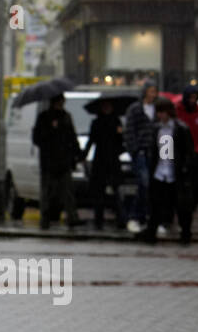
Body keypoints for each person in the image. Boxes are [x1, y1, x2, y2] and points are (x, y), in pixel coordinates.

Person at [141, 97, 194, 245]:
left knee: (181, 206)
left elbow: (187, 152)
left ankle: (185, 234)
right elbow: (156, 151)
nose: (160, 115)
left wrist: (184, 168)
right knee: (156, 204)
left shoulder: (180, 129)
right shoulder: (157, 129)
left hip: (175, 172)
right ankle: (151, 233)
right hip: (160, 171)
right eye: (159, 112)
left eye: (163, 112)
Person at [32, 91, 81, 229]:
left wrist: (77, 154)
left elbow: (72, 137)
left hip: (64, 161)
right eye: (59, 101)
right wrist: (51, 130)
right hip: (49, 162)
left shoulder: (66, 117)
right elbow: (37, 138)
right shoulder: (44, 118)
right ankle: (45, 218)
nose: (61, 104)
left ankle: (71, 216)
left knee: (67, 191)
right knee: (47, 192)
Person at [83, 99, 126, 230]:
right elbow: (91, 140)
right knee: (99, 193)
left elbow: (121, 142)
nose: (107, 109)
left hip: (112, 160)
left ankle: (120, 219)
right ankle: (99, 220)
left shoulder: (117, 122)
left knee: (116, 192)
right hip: (101, 160)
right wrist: (83, 155)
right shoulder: (96, 123)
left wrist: (120, 136)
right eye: (105, 107)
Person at [123, 79, 158, 232]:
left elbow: (165, 132)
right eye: (151, 91)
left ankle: (151, 218)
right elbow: (129, 130)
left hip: (156, 153)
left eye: (155, 91)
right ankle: (135, 216)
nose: (153, 95)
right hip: (141, 152)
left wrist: (167, 155)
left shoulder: (158, 110)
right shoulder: (136, 109)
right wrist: (134, 150)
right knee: (144, 183)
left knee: (155, 186)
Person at [176, 85, 198, 210]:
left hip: (195, 153)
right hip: (179, 154)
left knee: (197, 182)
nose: (192, 100)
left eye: (195, 98)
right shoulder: (177, 112)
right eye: (190, 97)